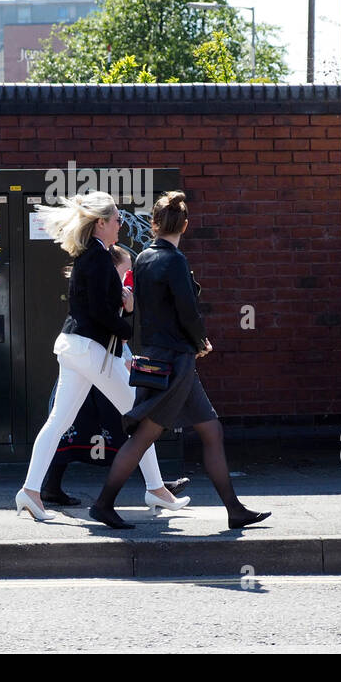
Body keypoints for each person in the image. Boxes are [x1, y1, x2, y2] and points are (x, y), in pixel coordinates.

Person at [88, 191, 270, 530]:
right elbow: (188, 311)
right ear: (184, 225)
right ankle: (103, 503)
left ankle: (234, 510)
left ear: (154, 224)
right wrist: (201, 341)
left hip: (158, 357)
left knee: (211, 430)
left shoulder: (142, 258)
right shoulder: (175, 261)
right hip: (177, 361)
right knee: (144, 437)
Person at [15, 191, 184, 520]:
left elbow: (93, 307)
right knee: (141, 417)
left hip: (77, 348)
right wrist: (126, 318)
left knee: (58, 423)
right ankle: (156, 489)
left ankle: (30, 492)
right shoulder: (97, 259)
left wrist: (119, 307)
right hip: (93, 350)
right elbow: (99, 313)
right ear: (101, 223)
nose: (121, 224)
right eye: (116, 219)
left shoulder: (92, 255)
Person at [39, 244, 189, 506]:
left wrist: (127, 312)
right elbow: (108, 329)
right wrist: (127, 323)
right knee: (84, 426)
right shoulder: (104, 285)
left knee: (67, 425)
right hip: (94, 362)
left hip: (93, 362)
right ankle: (152, 488)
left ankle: (155, 486)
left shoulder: (111, 287)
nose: (128, 275)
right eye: (126, 270)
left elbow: (112, 334)